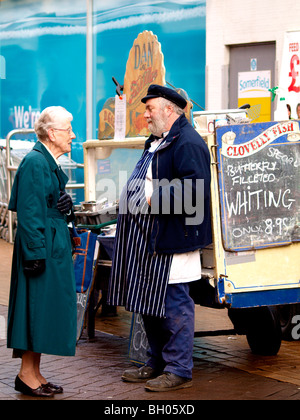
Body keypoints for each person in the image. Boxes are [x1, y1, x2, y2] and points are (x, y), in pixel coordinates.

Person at [107, 84, 212, 392]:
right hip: (147, 240)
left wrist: (154, 198)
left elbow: (195, 191)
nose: (145, 114)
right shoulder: (156, 141)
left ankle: (180, 370)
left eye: (150, 108)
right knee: (149, 302)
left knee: (175, 305)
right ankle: (155, 363)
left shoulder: (187, 141)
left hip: (172, 239)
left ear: (169, 109)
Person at [7, 106, 77, 397]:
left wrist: (64, 203)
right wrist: (35, 253)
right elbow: (29, 212)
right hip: (41, 247)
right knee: (35, 309)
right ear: (52, 133)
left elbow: (42, 202)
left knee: (42, 310)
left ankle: (34, 372)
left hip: (49, 244)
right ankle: (26, 374)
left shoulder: (43, 160)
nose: (73, 135)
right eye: (68, 129)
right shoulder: (36, 162)